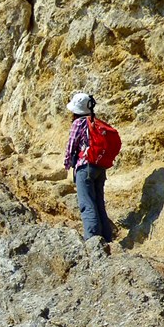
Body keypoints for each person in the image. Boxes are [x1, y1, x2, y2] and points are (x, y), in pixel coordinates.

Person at [63, 92, 114, 242]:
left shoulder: (78, 123)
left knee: (87, 204)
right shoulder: (95, 122)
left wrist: (67, 163)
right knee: (99, 203)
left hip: (85, 167)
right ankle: (106, 238)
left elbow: (71, 146)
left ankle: (92, 240)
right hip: (99, 167)